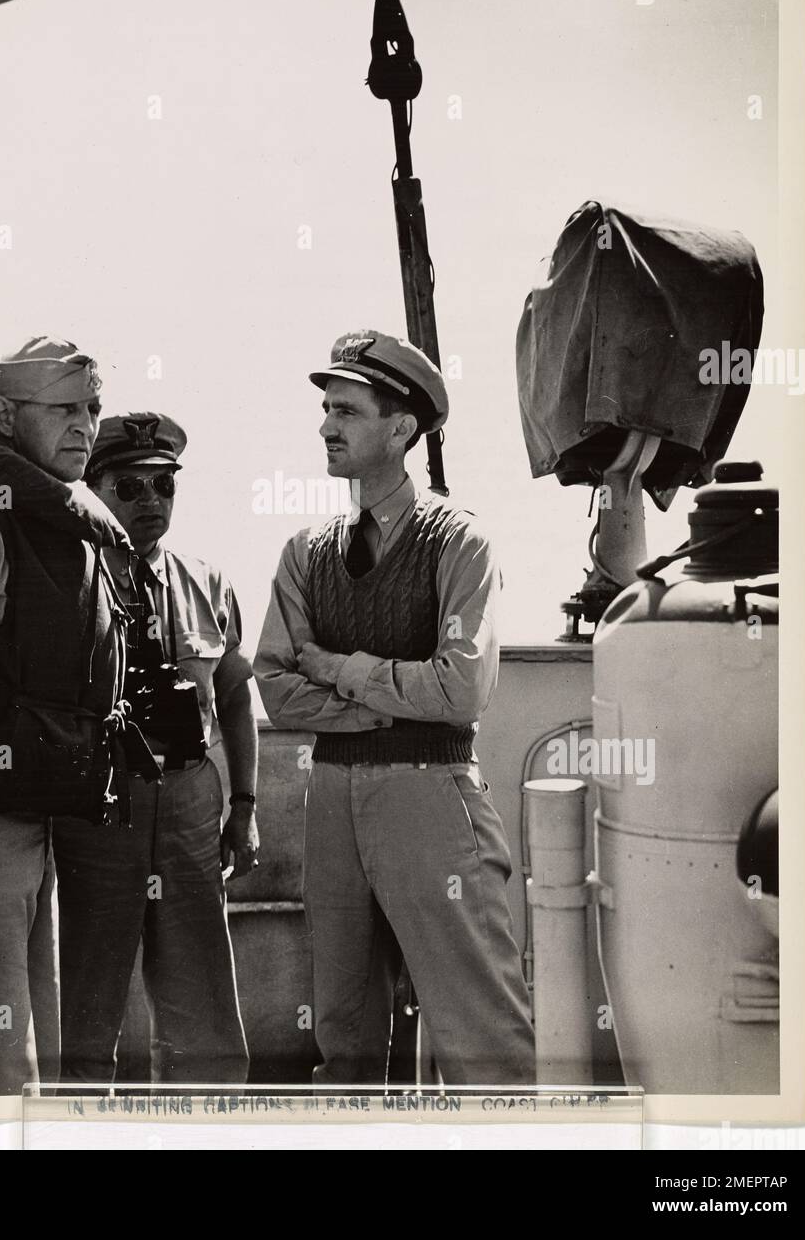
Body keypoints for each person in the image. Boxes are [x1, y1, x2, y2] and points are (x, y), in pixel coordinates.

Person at [253, 329, 536, 1086]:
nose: (325, 425)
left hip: (431, 798)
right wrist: (376, 710)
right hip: (334, 795)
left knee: (480, 1031)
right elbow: (276, 681)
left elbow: (461, 688)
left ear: (402, 427)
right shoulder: (305, 553)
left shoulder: (460, 542)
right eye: (325, 409)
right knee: (344, 1035)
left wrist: (341, 668)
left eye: (346, 409)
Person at [50, 412, 257, 1084]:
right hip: (101, 803)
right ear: (93, 487)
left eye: (163, 487)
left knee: (202, 997)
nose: (150, 503)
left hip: (190, 798)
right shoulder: (67, 578)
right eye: (129, 488)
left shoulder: (207, 581)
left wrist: (245, 806)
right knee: (87, 996)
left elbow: (232, 697)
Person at [0, 335, 129, 1095]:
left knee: (36, 1030)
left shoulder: (69, 525)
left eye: (92, 408)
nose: (85, 424)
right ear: (4, 414)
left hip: (37, 817)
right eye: (62, 409)